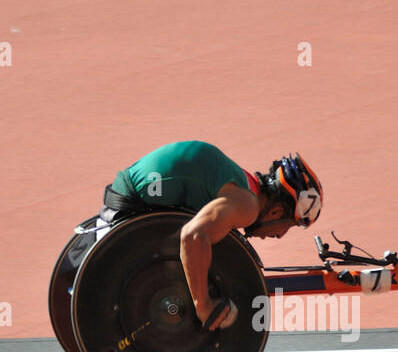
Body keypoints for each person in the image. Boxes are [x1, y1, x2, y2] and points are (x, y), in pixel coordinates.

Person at [96, 140, 323, 329]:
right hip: (130, 207)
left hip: (126, 197)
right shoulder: (247, 206)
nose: (281, 235)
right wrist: (203, 305)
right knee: (202, 243)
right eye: (289, 226)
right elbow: (193, 236)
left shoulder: (244, 183)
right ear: (276, 211)